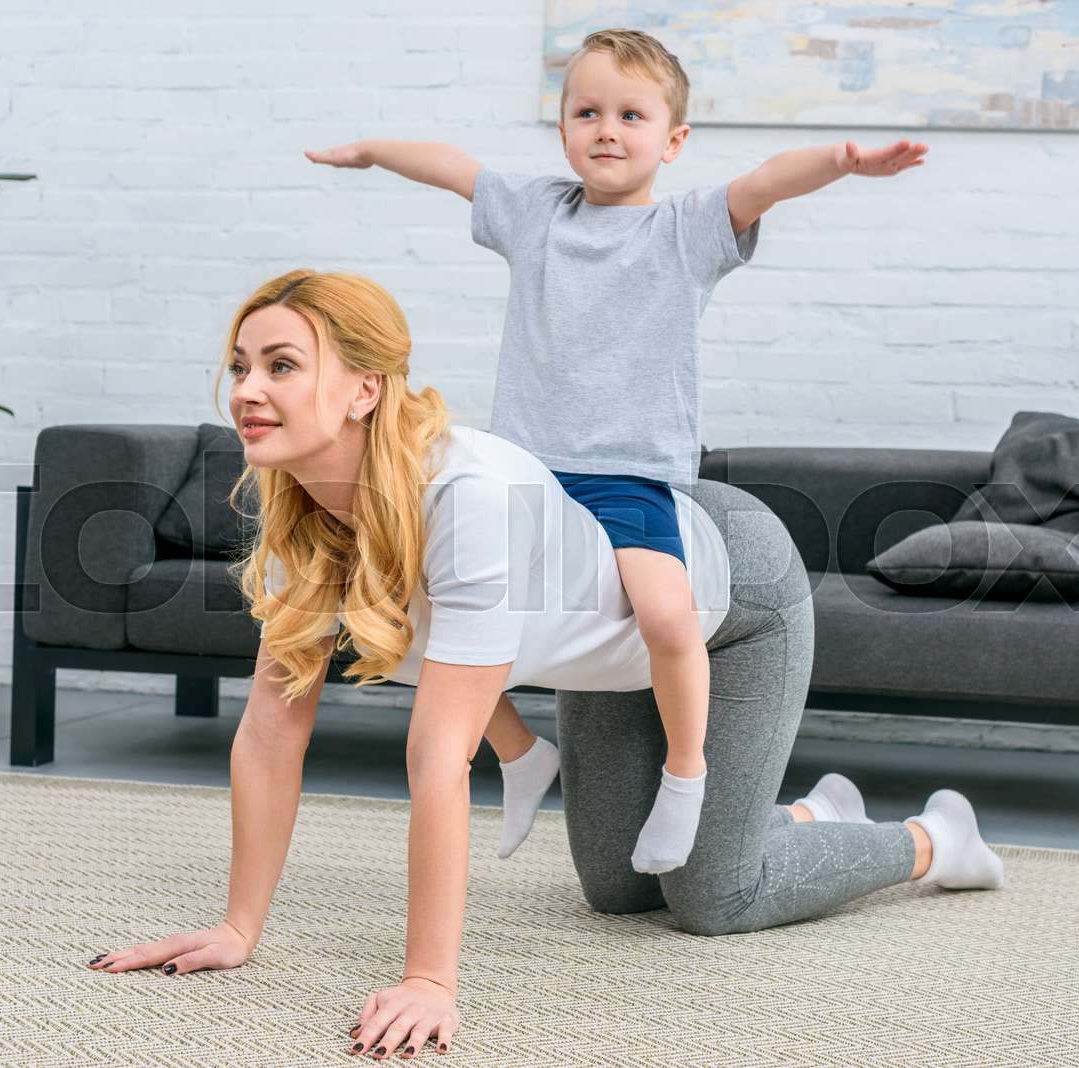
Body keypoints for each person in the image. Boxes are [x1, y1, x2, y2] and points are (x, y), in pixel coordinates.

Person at [86, 270, 1004, 1061]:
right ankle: (806, 814)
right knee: (616, 892)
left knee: (713, 898)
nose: (248, 388)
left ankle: (934, 841)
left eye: (282, 365)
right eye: (241, 365)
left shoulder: (474, 495)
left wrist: (428, 980)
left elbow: (440, 761)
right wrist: (238, 928)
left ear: (365, 389)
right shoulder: (300, 512)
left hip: (733, 595)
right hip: (609, 655)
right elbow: (272, 727)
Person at [306, 28, 929, 874]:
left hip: (627, 477)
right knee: (416, 611)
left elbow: (762, 185)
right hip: (523, 477)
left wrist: (844, 160)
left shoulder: (687, 230)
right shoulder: (535, 214)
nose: (606, 129)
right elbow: (453, 167)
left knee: (668, 617)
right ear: (563, 129)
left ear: (671, 141)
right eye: (586, 111)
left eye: (631, 115)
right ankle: (523, 754)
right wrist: (374, 151)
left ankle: (686, 773)